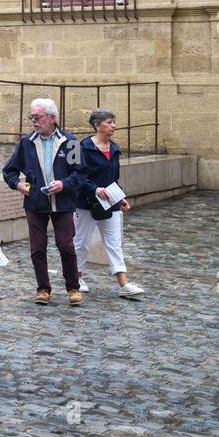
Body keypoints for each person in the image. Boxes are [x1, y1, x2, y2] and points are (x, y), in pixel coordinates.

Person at [3, 97, 84, 307]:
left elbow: (80, 174)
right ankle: (43, 289)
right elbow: (9, 171)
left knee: (65, 245)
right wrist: (17, 185)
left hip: (63, 202)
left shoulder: (71, 141)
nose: (34, 121)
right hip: (35, 202)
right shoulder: (26, 142)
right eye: (32, 117)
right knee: (37, 248)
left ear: (52, 118)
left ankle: (73, 287)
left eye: (37, 117)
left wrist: (64, 184)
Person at [74, 108, 144, 299]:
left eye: (114, 121)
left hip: (109, 204)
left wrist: (120, 197)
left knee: (114, 244)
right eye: (108, 122)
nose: (113, 125)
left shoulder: (114, 149)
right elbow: (77, 176)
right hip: (86, 203)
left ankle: (124, 284)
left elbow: (114, 179)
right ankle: (76, 279)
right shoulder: (81, 147)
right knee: (81, 243)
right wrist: (94, 189)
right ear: (97, 125)